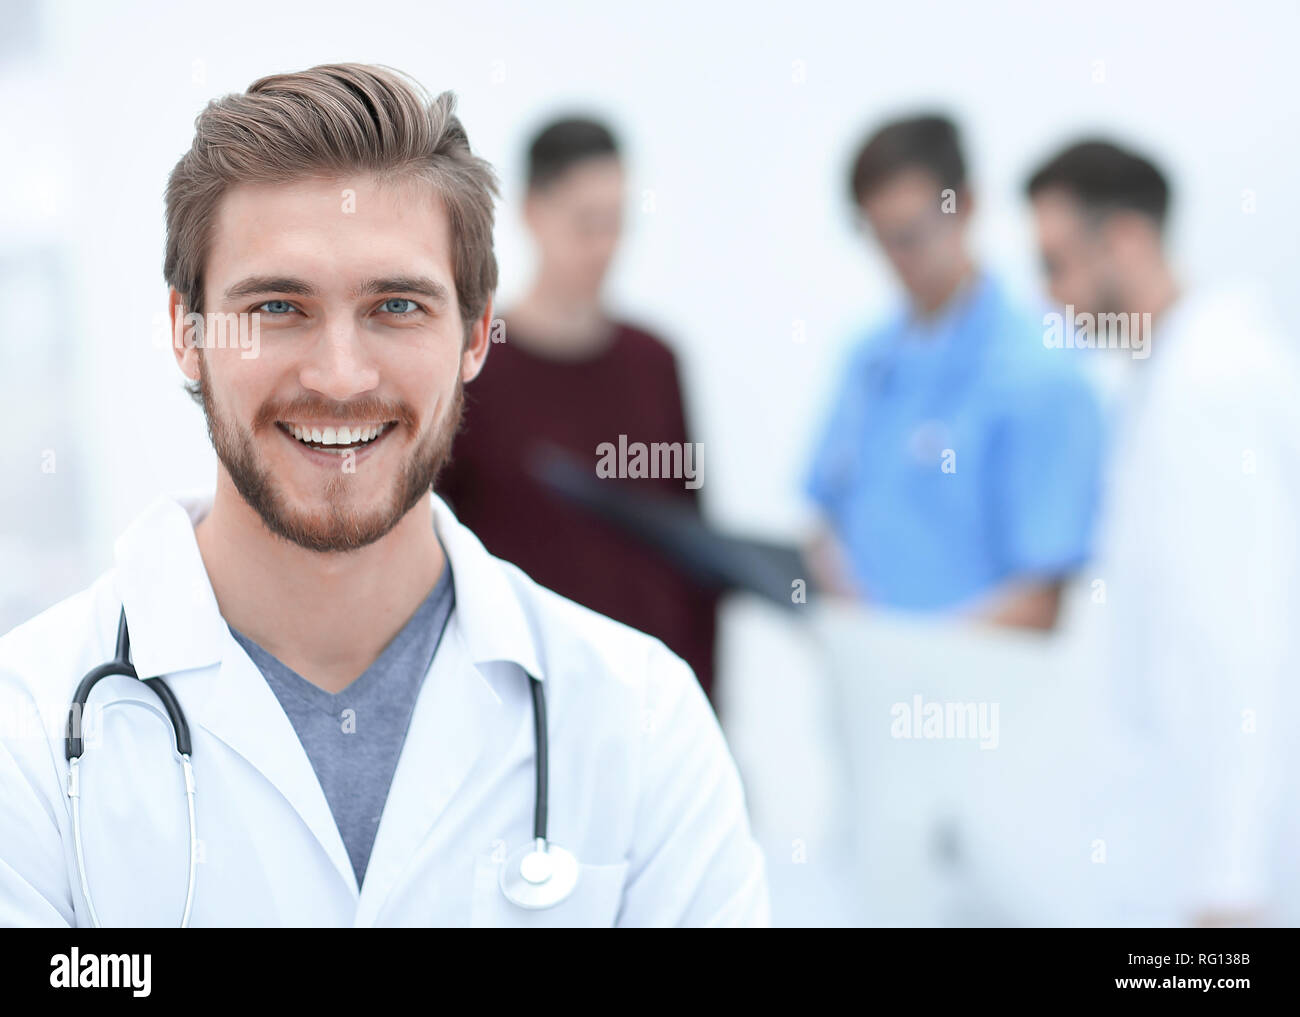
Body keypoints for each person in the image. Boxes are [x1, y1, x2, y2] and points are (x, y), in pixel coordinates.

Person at [0, 64, 768, 928]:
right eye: (279, 306)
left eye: (396, 305)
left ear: (477, 334)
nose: (340, 376)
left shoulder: (646, 724)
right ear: (187, 332)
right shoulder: (24, 736)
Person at [1025, 139, 1300, 926]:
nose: (1050, 296)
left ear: (1128, 241)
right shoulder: (1163, 380)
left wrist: (1229, 885)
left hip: (1231, 887)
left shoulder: (1212, 386)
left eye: (1057, 262)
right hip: (1181, 851)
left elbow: (1246, 649)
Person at [437, 117, 721, 700]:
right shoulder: (474, 363)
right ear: (533, 214)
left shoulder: (655, 363)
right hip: (515, 694)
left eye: (617, 224)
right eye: (586, 224)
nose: (605, 247)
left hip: (644, 694)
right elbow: (438, 547)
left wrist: (702, 699)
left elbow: (697, 550)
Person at [804, 114, 1104, 630]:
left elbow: (1043, 594)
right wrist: (860, 633)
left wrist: (917, 663)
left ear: (964, 206)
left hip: (982, 697)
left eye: (909, 234)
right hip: (864, 684)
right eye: (877, 236)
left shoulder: (1042, 372)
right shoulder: (868, 360)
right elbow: (823, 521)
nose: (894, 259)